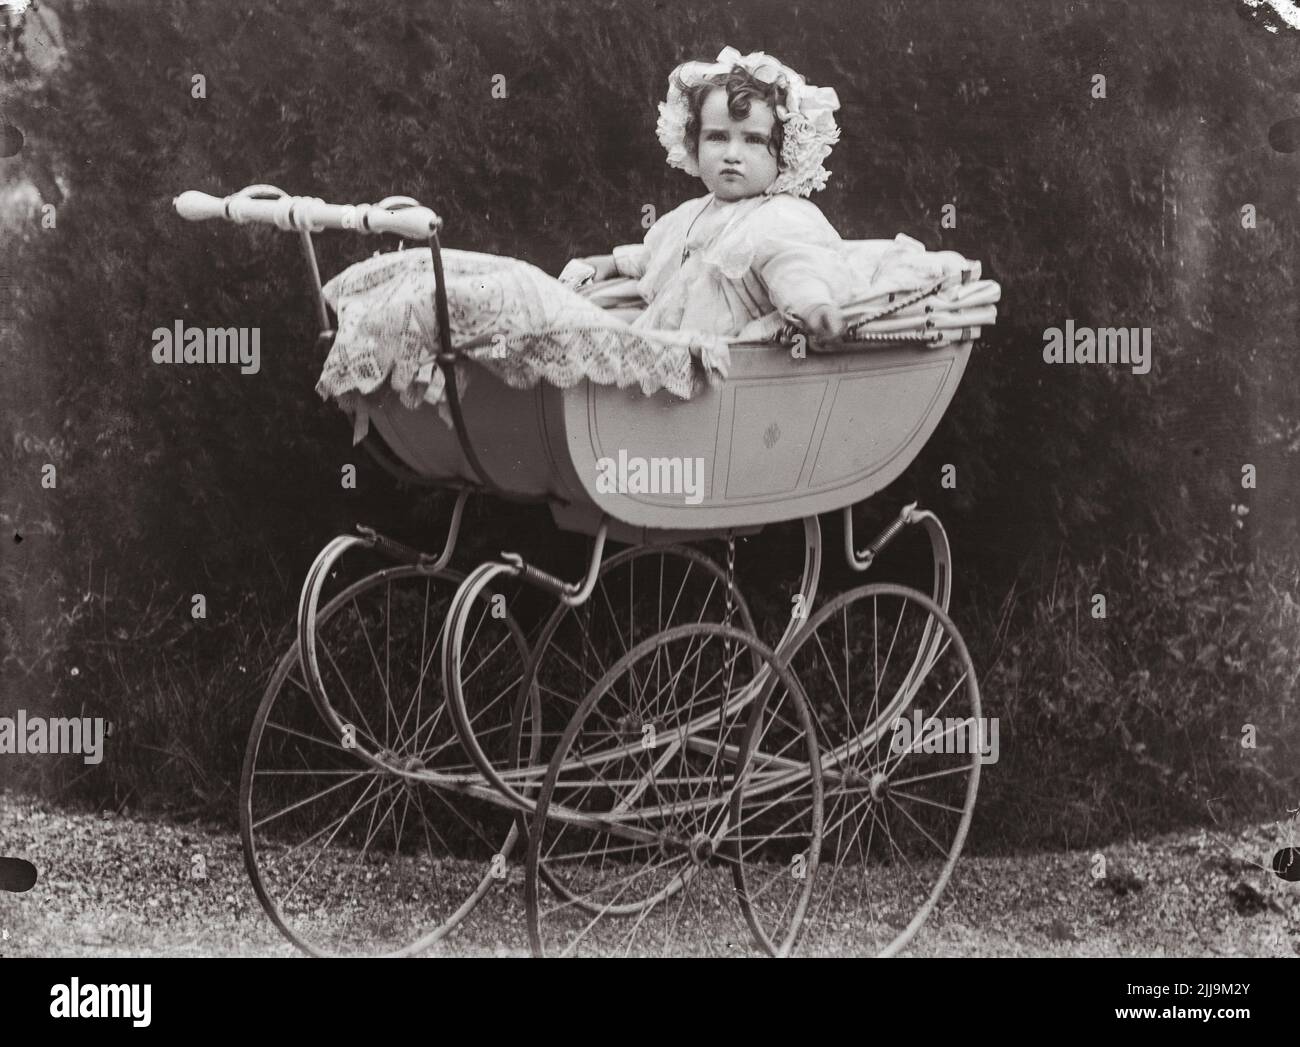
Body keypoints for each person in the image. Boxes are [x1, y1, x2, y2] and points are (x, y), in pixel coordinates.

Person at [568, 46, 852, 343]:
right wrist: (612, 263)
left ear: (784, 153)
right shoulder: (692, 212)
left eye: (754, 140)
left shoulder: (781, 217)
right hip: (669, 334)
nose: (732, 155)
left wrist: (814, 306)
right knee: (585, 323)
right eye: (717, 137)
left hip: (722, 349)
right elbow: (659, 254)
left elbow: (794, 265)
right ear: (694, 143)